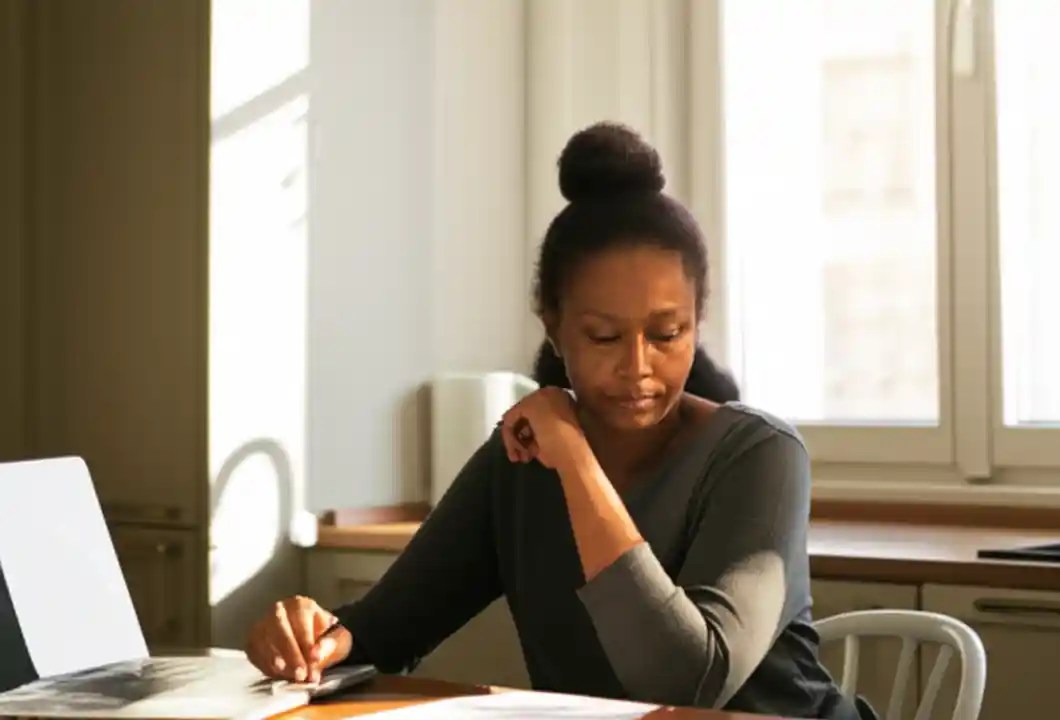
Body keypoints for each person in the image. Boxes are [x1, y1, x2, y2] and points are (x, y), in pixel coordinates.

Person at [244, 122, 871, 720]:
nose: (638, 367)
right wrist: (314, 639)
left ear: (697, 322)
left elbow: (686, 683)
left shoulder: (760, 456)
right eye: (603, 336)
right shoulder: (519, 463)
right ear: (554, 324)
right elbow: (389, 627)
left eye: (666, 333)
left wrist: (574, 458)